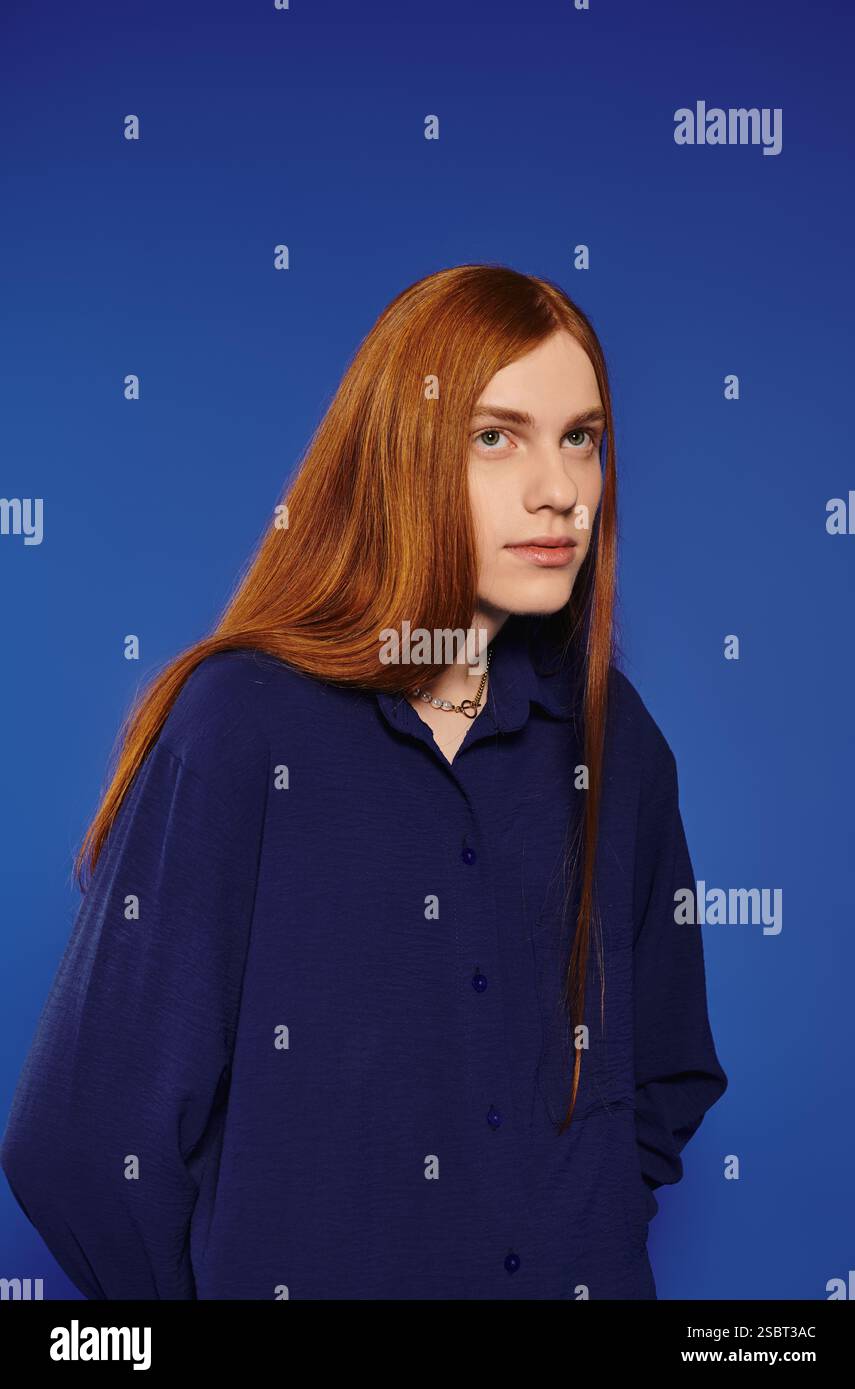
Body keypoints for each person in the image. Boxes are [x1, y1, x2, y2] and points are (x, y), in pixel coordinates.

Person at [0, 264, 727, 1300]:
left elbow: (664, 1076)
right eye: (496, 435)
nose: (558, 489)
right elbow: (79, 1142)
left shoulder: (617, 741)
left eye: (581, 437)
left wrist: (576, 1223)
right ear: (401, 452)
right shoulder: (240, 725)